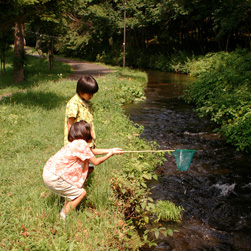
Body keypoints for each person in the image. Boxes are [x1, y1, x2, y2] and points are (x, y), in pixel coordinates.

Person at [43, 120, 122, 219]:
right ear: (85, 132)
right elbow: (95, 162)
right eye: (91, 130)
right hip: (55, 177)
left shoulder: (76, 143)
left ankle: (66, 208)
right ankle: (62, 217)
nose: (92, 132)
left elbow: (91, 151)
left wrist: (111, 150)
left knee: (74, 191)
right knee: (81, 193)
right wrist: (109, 155)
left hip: (48, 173)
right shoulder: (82, 144)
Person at [64, 75, 98, 147]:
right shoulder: (74, 103)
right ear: (81, 91)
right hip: (77, 143)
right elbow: (70, 124)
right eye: (89, 93)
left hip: (87, 141)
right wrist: (72, 142)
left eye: (93, 94)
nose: (91, 96)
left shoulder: (88, 103)